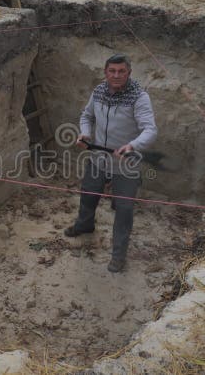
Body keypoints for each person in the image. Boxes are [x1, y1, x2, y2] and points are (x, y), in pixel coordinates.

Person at [65, 54, 158, 273]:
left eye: (121, 71)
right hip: (98, 157)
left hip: (126, 163)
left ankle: (118, 254)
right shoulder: (98, 92)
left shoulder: (139, 97)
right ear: (105, 72)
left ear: (129, 73)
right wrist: (86, 133)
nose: (116, 75)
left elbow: (150, 129)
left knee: (124, 208)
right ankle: (85, 224)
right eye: (112, 71)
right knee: (88, 193)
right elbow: (86, 116)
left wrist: (133, 146)